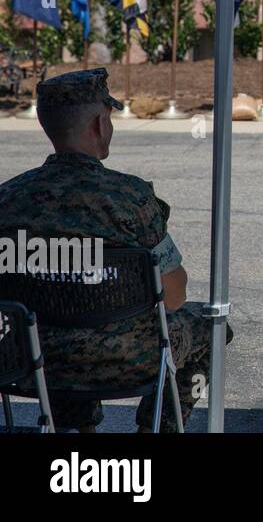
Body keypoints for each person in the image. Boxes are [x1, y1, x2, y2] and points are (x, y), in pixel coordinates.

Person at [0, 68, 231, 432]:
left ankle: (79, 432)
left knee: (59, 310)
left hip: (28, 360)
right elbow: (173, 297)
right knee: (210, 323)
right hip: (128, 358)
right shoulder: (130, 198)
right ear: (99, 124)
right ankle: (156, 430)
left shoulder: (7, 200)